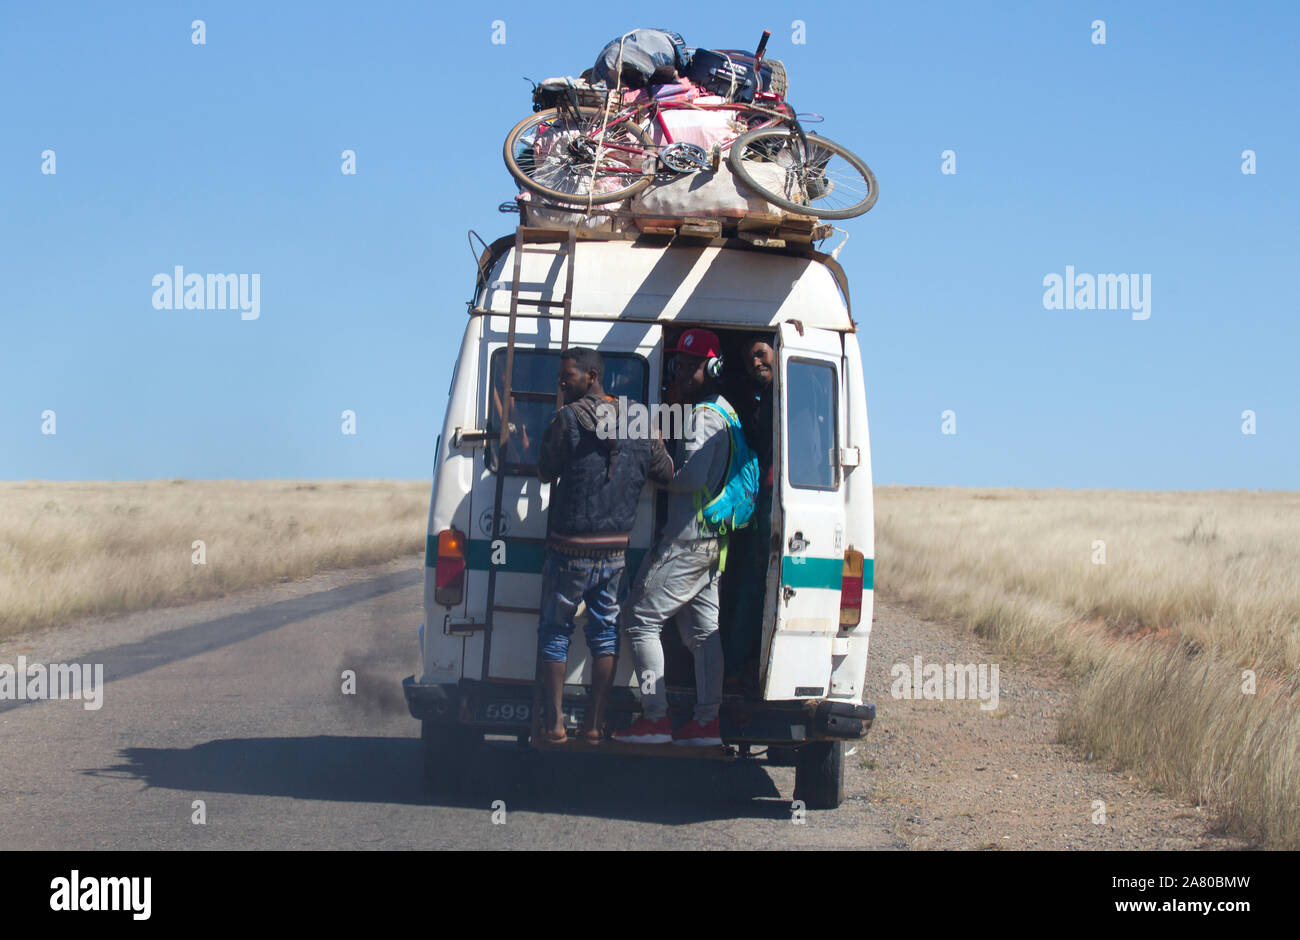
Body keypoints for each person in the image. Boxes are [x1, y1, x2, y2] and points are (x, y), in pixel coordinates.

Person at [536, 348, 673, 744]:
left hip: (568, 549)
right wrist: (657, 440)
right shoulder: (639, 422)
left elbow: (545, 471)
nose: (562, 384)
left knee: (554, 633)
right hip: (613, 553)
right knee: (605, 636)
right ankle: (595, 726)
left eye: (567, 378)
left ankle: (556, 724)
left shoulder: (567, 420)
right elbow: (665, 473)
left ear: (592, 376)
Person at [614, 328, 741, 747]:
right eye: (680, 363)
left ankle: (655, 719)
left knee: (639, 620)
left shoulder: (704, 417)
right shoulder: (726, 411)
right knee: (704, 633)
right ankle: (706, 723)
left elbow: (691, 479)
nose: (684, 371)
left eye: (694, 364)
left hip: (687, 541)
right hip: (711, 543)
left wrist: (654, 470)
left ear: (714, 367)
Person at [724, 335, 775, 695]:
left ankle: (740, 666)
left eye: (761, 354)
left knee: (754, 585)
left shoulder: (788, 394)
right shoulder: (759, 400)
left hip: (771, 500)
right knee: (748, 584)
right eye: (749, 359)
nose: (756, 363)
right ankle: (737, 667)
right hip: (757, 501)